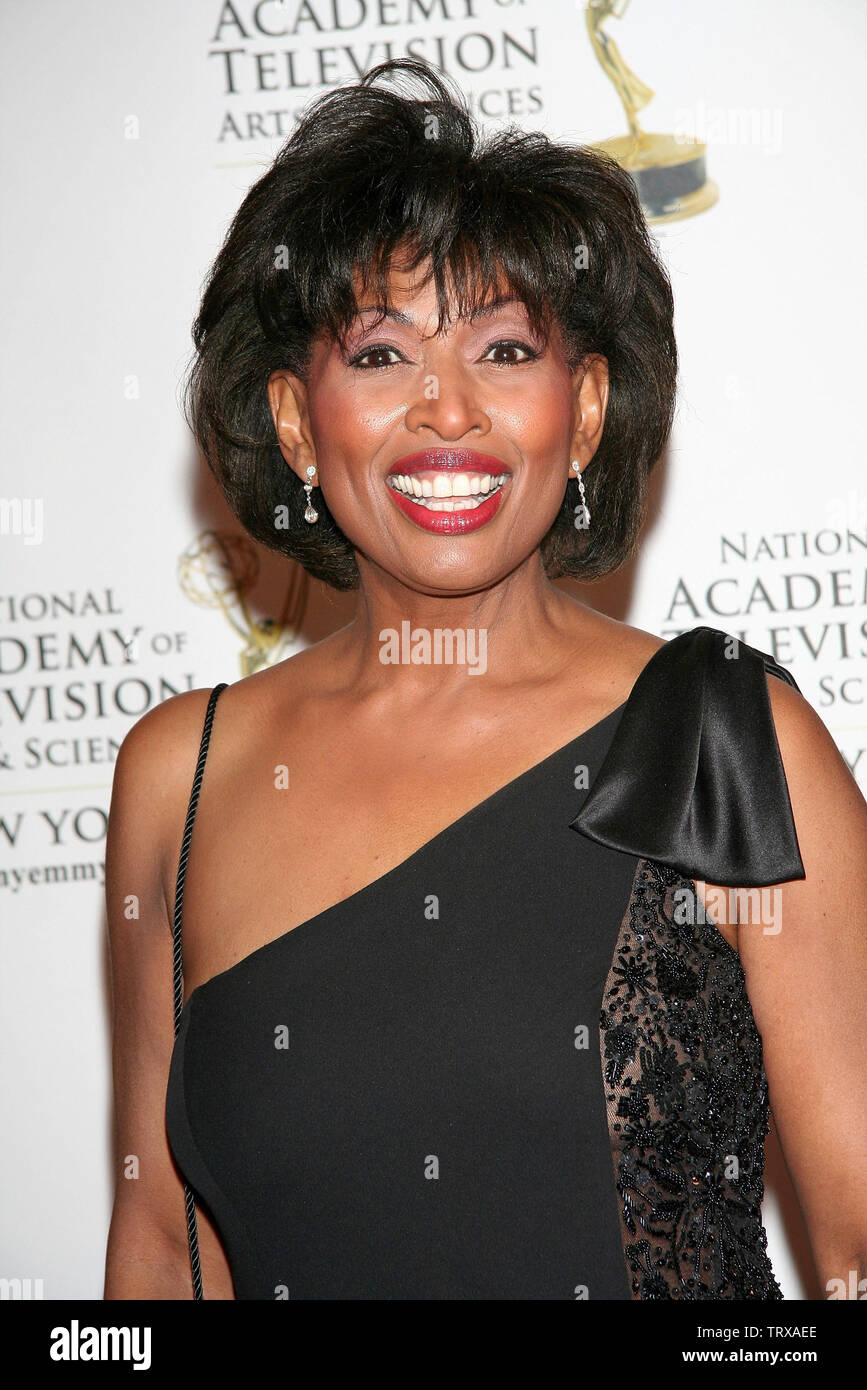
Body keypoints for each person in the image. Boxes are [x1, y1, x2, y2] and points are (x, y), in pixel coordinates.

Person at [103, 56, 867, 1301]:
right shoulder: (179, 776)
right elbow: (159, 1243)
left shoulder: (727, 737)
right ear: (297, 423)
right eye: (383, 354)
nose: (446, 410)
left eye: (506, 349)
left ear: (587, 408)